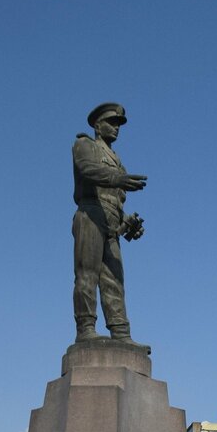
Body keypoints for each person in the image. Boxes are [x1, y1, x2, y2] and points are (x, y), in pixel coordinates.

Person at [72, 102, 150, 352]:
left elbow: (116, 201)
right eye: (111, 123)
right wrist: (118, 179)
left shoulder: (118, 162)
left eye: (118, 125)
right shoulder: (85, 145)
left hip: (110, 222)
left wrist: (128, 223)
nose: (116, 128)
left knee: (114, 281)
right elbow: (88, 170)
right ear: (97, 125)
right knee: (88, 274)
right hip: (90, 213)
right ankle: (86, 330)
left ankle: (121, 332)